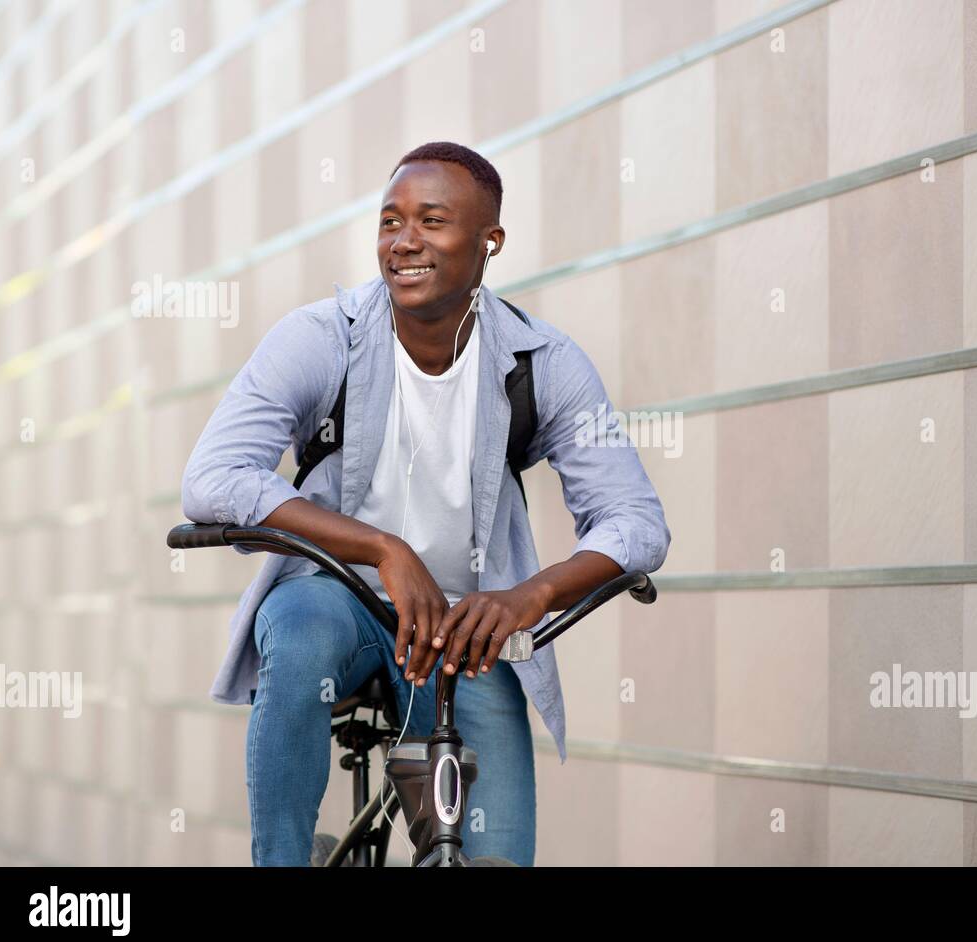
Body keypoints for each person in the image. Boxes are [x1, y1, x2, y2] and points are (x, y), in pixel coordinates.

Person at [180, 141, 671, 866]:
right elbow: (213, 476)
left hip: (466, 634)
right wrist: (381, 549)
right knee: (300, 630)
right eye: (389, 221)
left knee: (493, 858)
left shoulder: (544, 365)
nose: (404, 242)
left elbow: (637, 523)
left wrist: (528, 597)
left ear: (489, 241)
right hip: (338, 600)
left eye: (432, 221)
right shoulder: (323, 339)